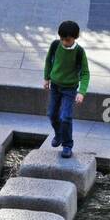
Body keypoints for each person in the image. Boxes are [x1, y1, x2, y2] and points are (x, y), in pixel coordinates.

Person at [42, 20, 90, 159]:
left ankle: (67, 145)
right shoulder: (55, 45)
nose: (64, 42)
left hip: (70, 89)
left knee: (65, 117)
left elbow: (85, 73)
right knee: (51, 114)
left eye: (67, 40)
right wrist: (46, 78)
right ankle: (59, 134)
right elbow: (48, 60)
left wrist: (82, 92)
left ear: (75, 37)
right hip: (55, 86)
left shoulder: (79, 52)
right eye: (62, 39)